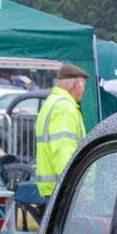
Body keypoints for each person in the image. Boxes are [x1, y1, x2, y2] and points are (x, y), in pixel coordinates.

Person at [34, 64, 88, 197]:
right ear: (76, 84)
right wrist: (72, 187)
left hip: (54, 189)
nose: (84, 90)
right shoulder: (64, 108)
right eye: (84, 85)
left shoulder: (52, 102)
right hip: (63, 191)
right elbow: (63, 151)